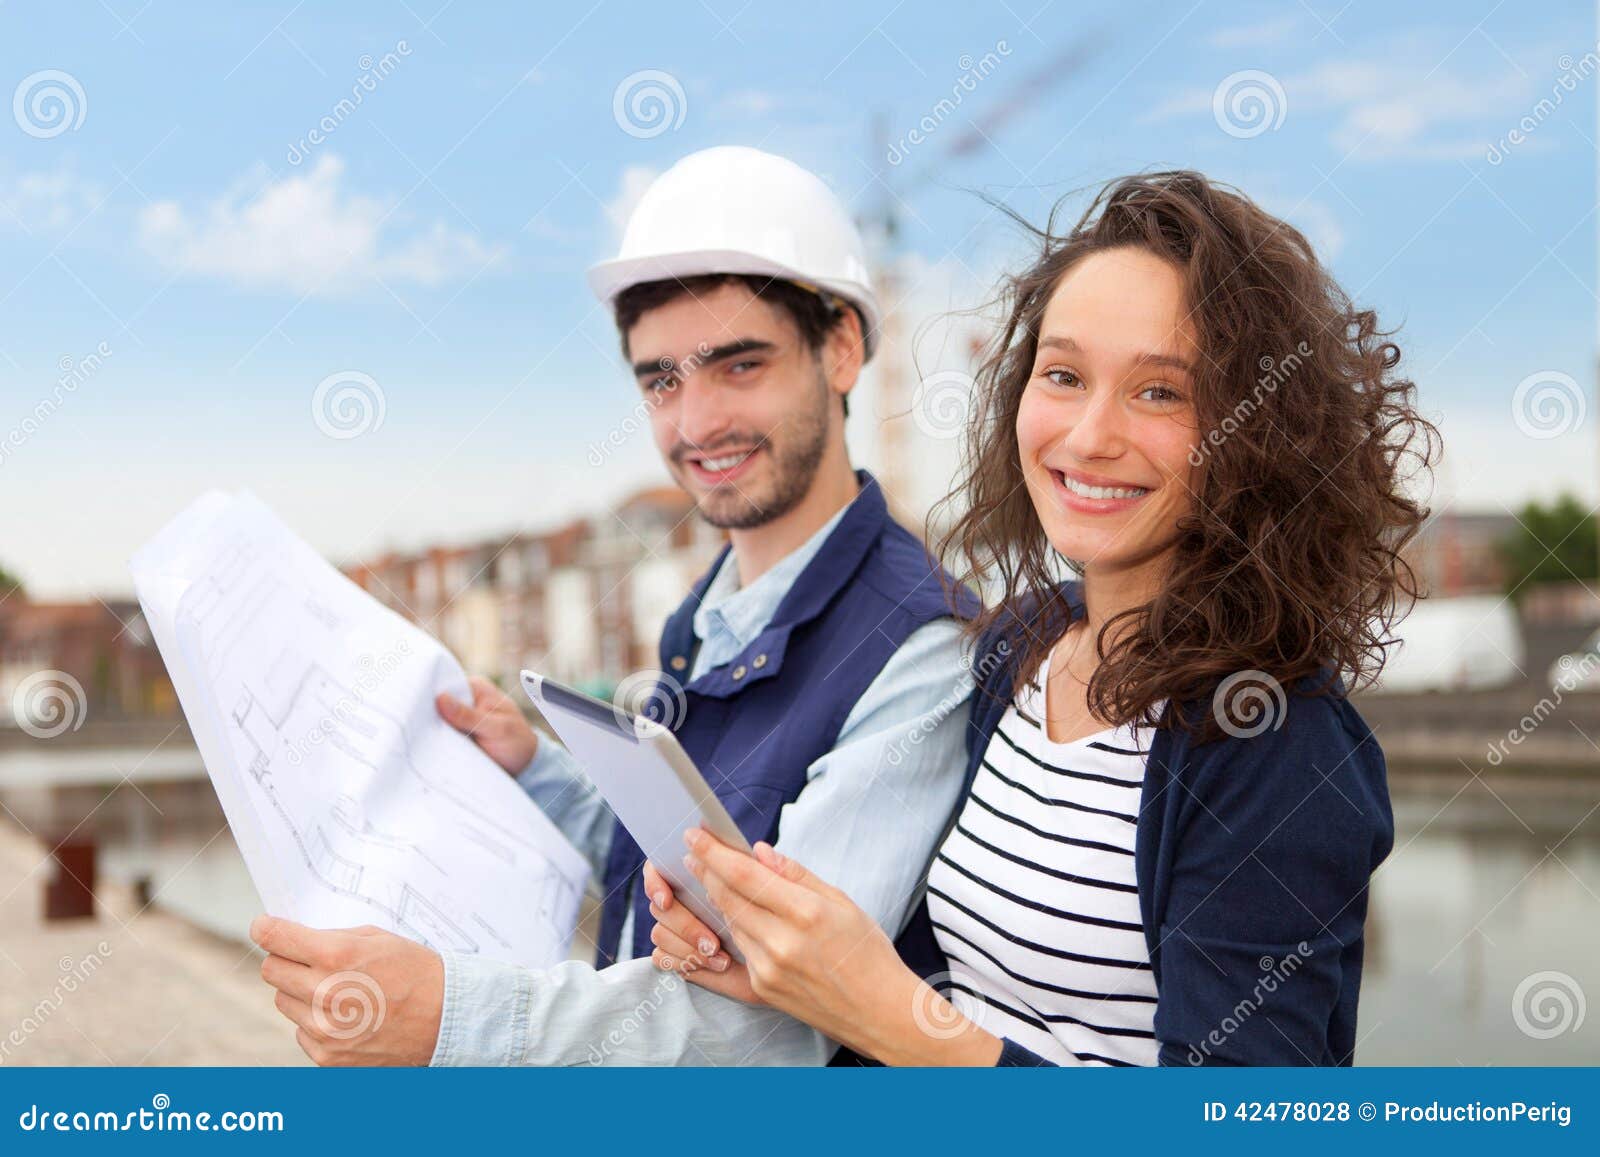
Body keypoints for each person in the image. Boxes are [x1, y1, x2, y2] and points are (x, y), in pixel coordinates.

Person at [649, 170, 1435, 1066]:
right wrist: (784, 972)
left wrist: (882, 1009)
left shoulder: (1275, 745)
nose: (1090, 434)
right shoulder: (1021, 646)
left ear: (1258, 433)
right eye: (1063, 375)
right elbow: (956, 987)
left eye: (1160, 392)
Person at [250, 146, 975, 1066]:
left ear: (840, 347)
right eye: (661, 379)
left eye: (738, 365)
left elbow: (774, 1019)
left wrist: (450, 1018)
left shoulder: (917, 651)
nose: (694, 423)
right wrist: (534, 770)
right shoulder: (705, 621)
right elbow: (676, 869)